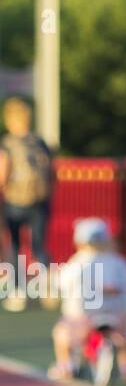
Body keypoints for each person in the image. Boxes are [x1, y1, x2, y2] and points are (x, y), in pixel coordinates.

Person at [48, 217, 126, 383]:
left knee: (61, 334)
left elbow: (62, 283)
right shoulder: (118, 262)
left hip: (82, 317)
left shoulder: (78, 262)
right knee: (125, 336)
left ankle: (66, 367)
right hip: (115, 315)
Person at [0, 96, 54, 311]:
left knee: (13, 245)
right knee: (39, 245)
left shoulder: (8, 143)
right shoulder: (40, 142)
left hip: (15, 201)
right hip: (40, 201)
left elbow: (3, 173)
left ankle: (17, 291)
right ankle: (47, 287)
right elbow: (52, 172)